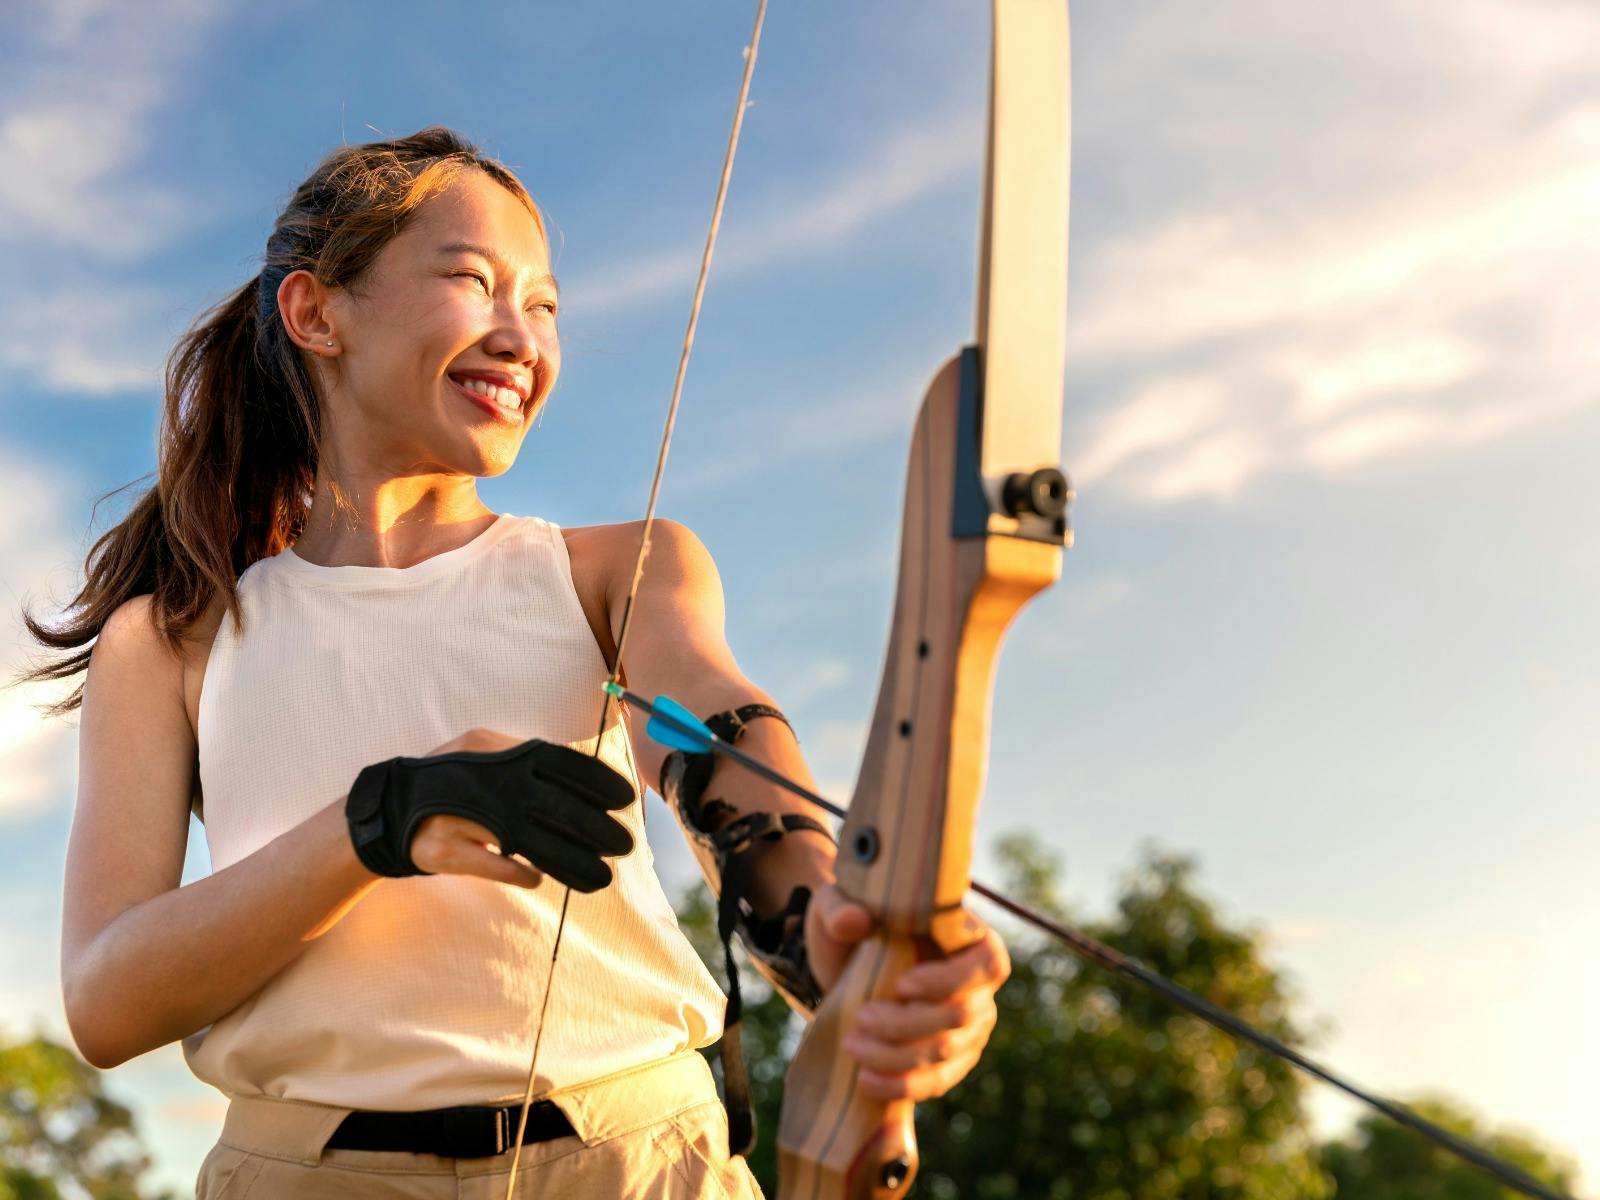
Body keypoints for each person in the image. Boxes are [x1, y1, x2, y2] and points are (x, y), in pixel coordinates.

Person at [22, 126, 1010, 1198]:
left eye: (543, 305)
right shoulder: (174, 638)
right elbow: (107, 1002)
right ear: (315, 313)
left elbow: (716, 744)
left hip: (637, 1163)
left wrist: (833, 942)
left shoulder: (619, 571)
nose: (520, 335)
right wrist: (379, 821)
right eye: (472, 281)